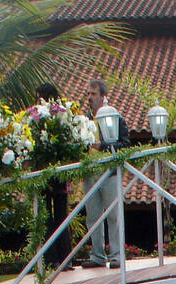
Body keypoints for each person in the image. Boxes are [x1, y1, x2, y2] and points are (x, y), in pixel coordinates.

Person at [81, 78, 130, 270]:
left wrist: (104, 146)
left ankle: (117, 255)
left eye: (93, 94)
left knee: (114, 215)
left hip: (109, 173)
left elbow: (126, 143)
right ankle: (97, 255)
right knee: (93, 216)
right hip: (90, 173)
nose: (90, 98)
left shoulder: (114, 118)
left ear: (103, 96)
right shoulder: (84, 120)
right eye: (88, 94)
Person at [35, 83, 74, 271]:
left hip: (57, 170)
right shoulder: (36, 117)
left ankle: (63, 258)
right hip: (44, 171)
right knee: (49, 216)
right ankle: (53, 258)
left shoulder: (61, 115)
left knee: (59, 215)